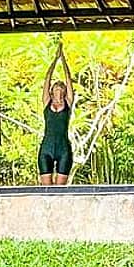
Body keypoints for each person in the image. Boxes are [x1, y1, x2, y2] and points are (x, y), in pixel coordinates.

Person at [38, 43, 75, 186]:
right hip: (46, 148)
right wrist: (55, 59)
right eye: (56, 87)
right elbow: (47, 78)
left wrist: (63, 60)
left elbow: (68, 78)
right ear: (52, 90)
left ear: (64, 91)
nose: (58, 88)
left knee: (59, 190)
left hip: (63, 149)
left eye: (61, 87)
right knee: (47, 190)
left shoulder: (68, 102)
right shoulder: (47, 101)